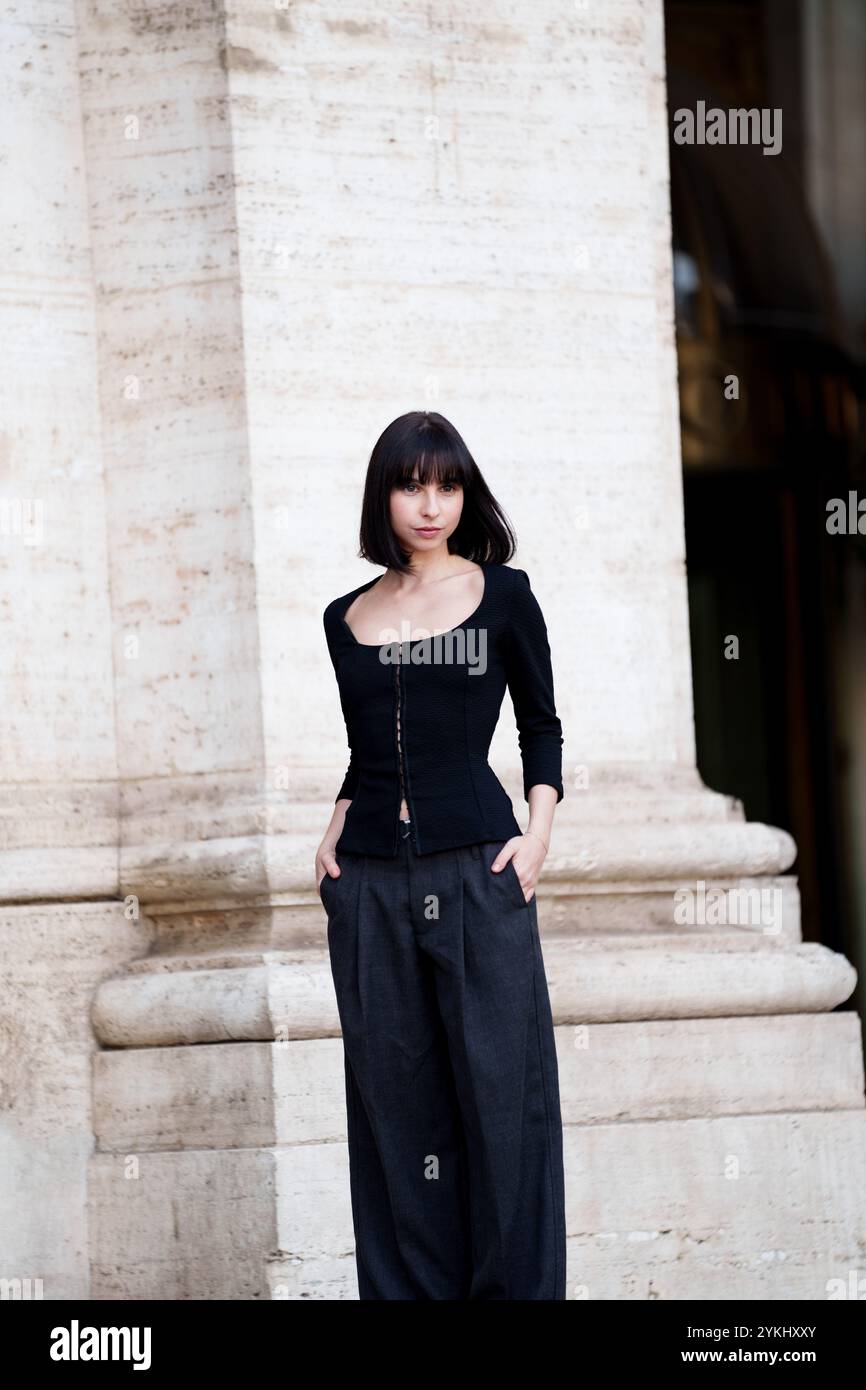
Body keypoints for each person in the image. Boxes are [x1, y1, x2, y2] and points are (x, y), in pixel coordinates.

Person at [316, 409, 566, 1300]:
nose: (430, 505)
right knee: (395, 1116)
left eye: (447, 485)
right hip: (370, 887)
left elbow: (540, 727)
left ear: (465, 494)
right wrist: (335, 825)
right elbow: (366, 748)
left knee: (504, 1106)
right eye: (412, 484)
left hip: (478, 873)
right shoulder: (344, 618)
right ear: (383, 495)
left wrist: (535, 838)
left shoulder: (503, 596)